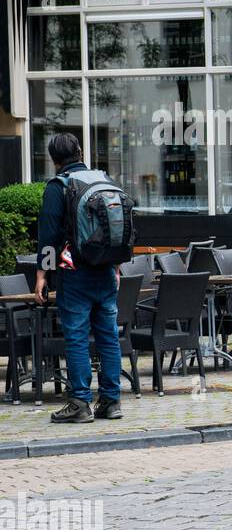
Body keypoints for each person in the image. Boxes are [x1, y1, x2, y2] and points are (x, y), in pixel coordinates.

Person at [34, 132, 123, 423]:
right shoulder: (104, 181)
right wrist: (116, 265)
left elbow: (48, 237)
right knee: (109, 337)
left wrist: (42, 275)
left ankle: (80, 403)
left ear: (53, 159)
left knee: (76, 337)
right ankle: (111, 402)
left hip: (75, 274)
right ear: (80, 152)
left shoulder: (57, 187)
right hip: (107, 270)